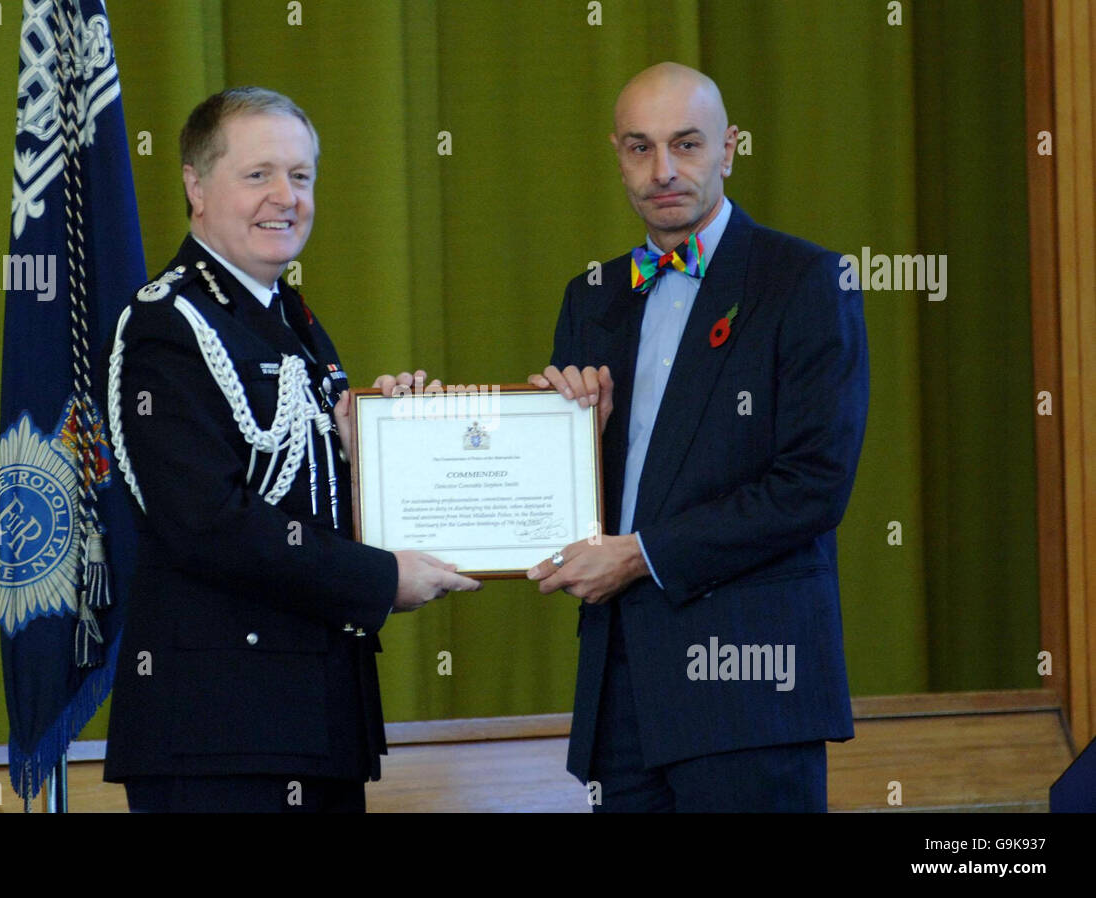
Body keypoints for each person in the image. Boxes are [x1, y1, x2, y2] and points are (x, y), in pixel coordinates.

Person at [101, 87, 479, 813]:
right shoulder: (167, 325)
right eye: (258, 175)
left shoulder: (293, 321)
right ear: (195, 186)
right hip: (221, 737)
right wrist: (378, 579)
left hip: (314, 721)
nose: (286, 197)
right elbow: (207, 524)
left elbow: (298, 497)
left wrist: (374, 455)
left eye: (301, 177)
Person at [526, 62, 869, 812]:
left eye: (686, 144)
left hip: (749, 689)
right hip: (621, 693)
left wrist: (643, 554)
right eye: (640, 148)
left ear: (730, 148)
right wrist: (562, 439)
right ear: (616, 154)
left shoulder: (808, 282)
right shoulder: (590, 297)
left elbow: (812, 485)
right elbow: (571, 492)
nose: (664, 170)